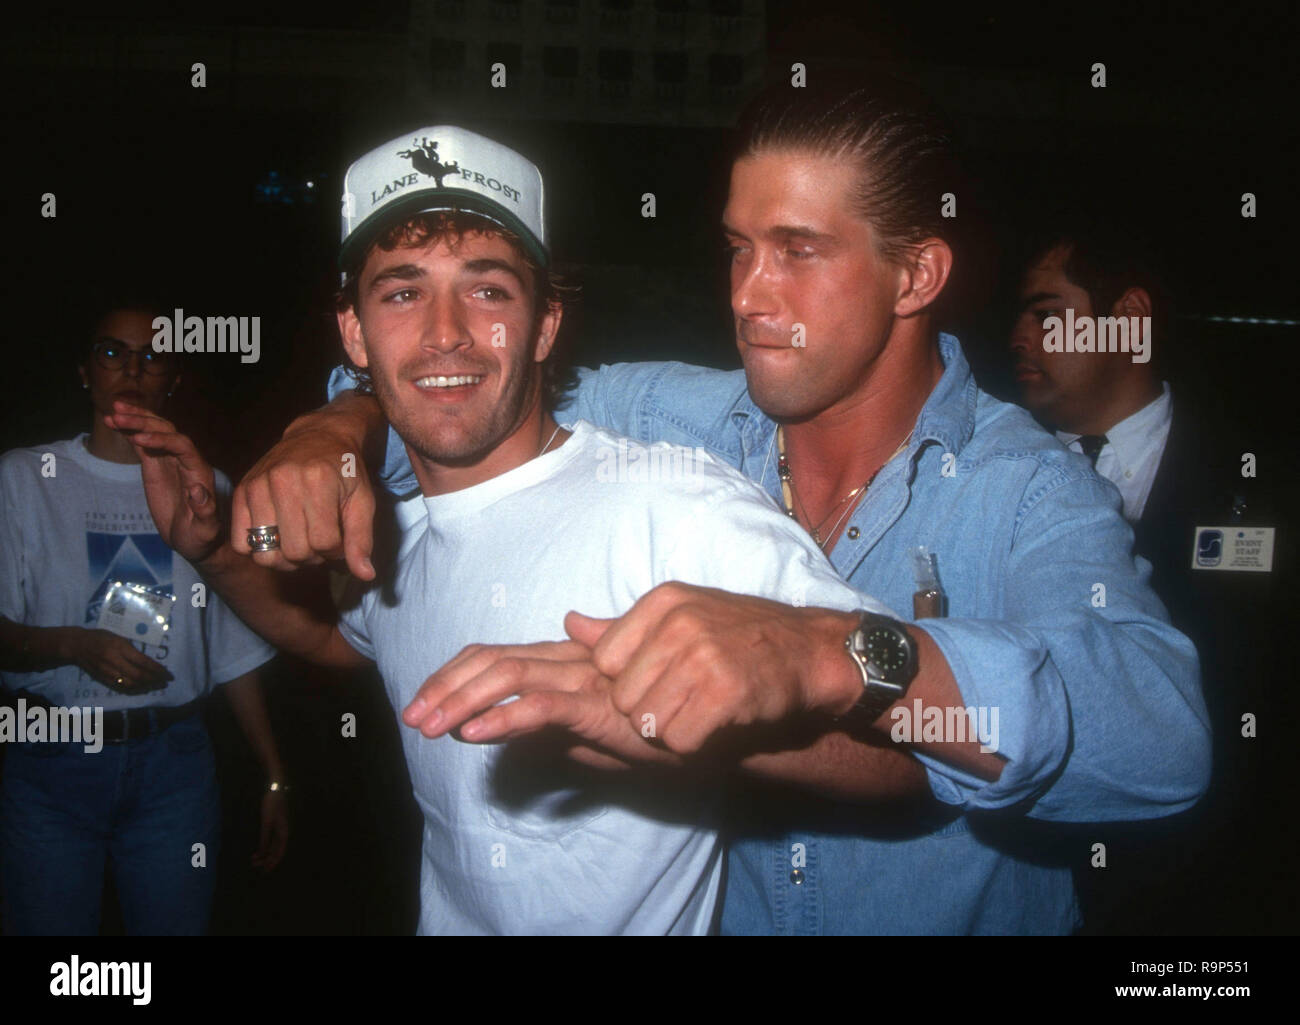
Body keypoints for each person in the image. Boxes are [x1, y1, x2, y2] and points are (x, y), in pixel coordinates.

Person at [222, 74, 1212, 934]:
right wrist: (335, 425)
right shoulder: (677, 414)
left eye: (797, 250)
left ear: (915, 274)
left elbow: (1162, 737)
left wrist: (834, 656)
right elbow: (464, 394)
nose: (746, 294)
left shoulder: (1024, 486)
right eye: (739, 247)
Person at [112, 125, 902, 935]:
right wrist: (210, 550)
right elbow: (349, 641)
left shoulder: (675, 504)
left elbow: (912, 746)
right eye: (402, 292)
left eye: (488, 290)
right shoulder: (401, 536)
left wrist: (673, 728)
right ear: (354, 335)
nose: (446, 331)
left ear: (546, 325)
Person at [1010, 224, 1285, 932]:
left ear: (1127, 321)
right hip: (1032, 880)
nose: (1018, 335)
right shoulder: (993, 477)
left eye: (1046, 315)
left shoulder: (1261, 476)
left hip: (1219, 890)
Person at [0, 302, 287, 936]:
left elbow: (232, 647)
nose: (131, 369)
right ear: (84, 371)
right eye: (112, 352)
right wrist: (73, 645)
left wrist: (272, 776)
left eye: (151, 356)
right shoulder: (24, 479)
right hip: (51, 763)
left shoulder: (205, 484)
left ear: (173, 379)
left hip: (175, 767)